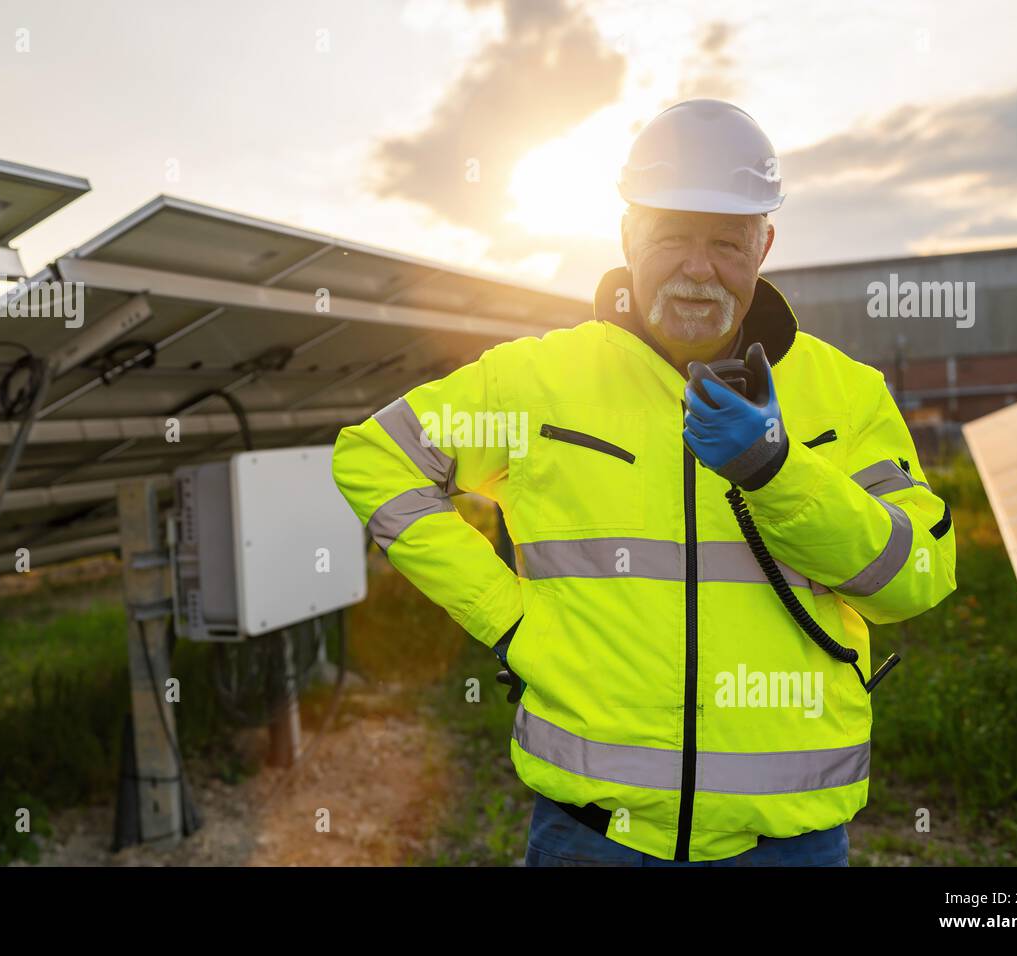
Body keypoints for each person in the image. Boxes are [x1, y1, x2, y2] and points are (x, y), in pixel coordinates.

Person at [332, 99, 957, 865]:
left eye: (727, 242)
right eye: (670, 237)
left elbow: (916, 578)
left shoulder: (845, 394)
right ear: (628, 237)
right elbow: (373, 457)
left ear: (765, 244)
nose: (698, 270)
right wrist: (510, 621)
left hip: (786, 844)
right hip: (592, 836)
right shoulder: (540, 382)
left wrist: (778, 472)